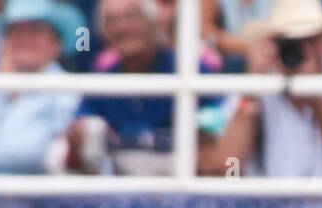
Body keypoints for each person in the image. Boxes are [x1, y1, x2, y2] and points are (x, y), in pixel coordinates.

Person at [203, 0, 322, 177]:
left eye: (311, 39)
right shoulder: (255, 92)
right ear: (274, 45)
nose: (302, 49)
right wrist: (251, 92)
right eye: (290, 41)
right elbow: (227, 169)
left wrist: (317, 101)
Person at [62, 0, 221, 174]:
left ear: (154, 23)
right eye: (111, 20)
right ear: (104, 32)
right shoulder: (101, 81)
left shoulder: (190, 70)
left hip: (181, 183)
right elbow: (81, 140)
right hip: (119, 187)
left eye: (131, 16)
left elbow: (216, 125)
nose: (122, 27)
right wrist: (79, 138)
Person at [0, 0, 85, 173]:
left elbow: (73, 164)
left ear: (56, 43)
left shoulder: (68, 94)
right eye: (17, 30)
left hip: (39, 197)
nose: (26, 38)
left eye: (36, 30)